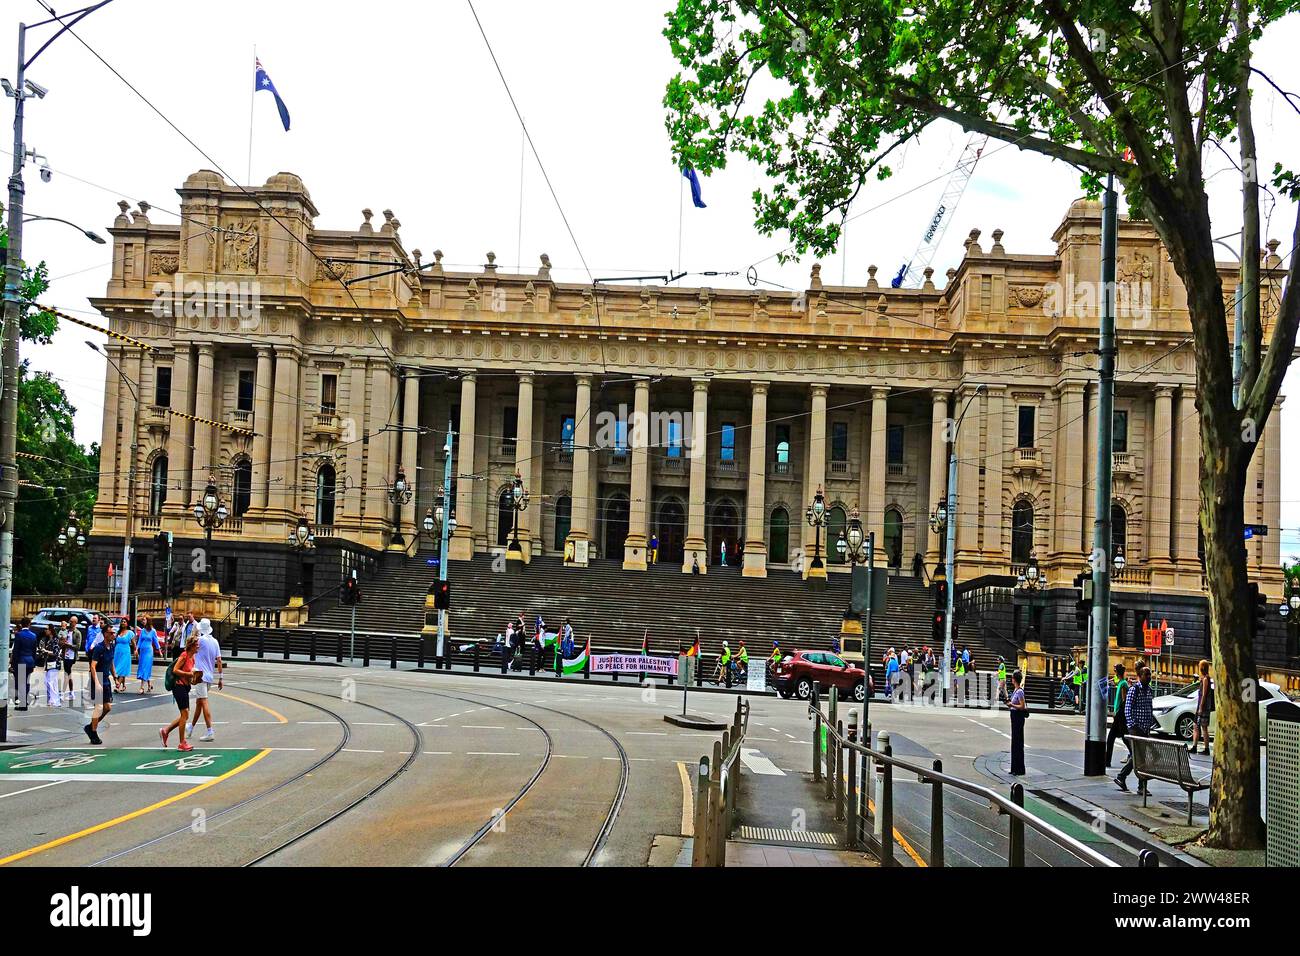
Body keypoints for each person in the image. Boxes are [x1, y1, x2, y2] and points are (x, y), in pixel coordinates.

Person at [1115, 666, 1156, 794]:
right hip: (1135, 729)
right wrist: (1132, 725)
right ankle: (1140, 786)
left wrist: (1150, 724)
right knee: (1140, 757)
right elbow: (1128, 709)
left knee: (1139, 757)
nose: (1149, 677)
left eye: (1149, 675)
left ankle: (1123, 778)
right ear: (1140, 675)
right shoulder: (1134, 690)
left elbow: (1150, 707)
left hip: (1145, 728)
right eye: (1146, 675)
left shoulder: (1149, 690)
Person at [162, 634, 200, 752]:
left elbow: (188, 674)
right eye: (197, 645)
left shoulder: (192, 658)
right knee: (185, 715)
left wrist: (194, 679)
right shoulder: (184, 655)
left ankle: (166, 731)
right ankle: (181, 743)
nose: (198, 647)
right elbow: (175, 670)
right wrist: (188, 675)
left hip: (185, 687)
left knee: (185, 715)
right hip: (178, 687)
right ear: (191, 646)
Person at [188, 619, 224, 742]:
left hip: (199, 676)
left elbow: (190, 647)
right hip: (209, 677)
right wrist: (221, 678)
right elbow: (219, 660)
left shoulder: (200, 641)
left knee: (203, 702)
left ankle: (210, 731)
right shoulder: (215, 642)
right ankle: (191, 727)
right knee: (199, 703)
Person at [85, 625, 119, 744]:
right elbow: (93, 666)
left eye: (114, 633)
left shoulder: (112, 647)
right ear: (105, 634)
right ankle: (93, 733)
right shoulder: (99, 648)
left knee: (107, 707)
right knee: (98, 708)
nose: (113, 635)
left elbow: (111, 662)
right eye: (111, 633)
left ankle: (90, 726)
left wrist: (115, 677)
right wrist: (97, 683)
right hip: (98, 678)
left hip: (106, 679)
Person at [10, 618, 38, 710]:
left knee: (21, 683)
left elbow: (16, 651)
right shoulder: (33, 635)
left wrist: (13, 665)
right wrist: (33, 663)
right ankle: (25, 701)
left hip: (21, 661)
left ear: (21, 624)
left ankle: (23, 704)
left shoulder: (19, 635)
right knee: (26, 682)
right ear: (29, 624)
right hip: (30, 661)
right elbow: (34, 651)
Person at [1104, 663, 1129, 767]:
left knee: (1114, 737)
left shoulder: (1123, 684)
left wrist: (1117, 714)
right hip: (1119, 714)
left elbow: (1124, 700)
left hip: (1120, 715)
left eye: (1115, 670)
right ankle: (1107, 761)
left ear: (1117, 672)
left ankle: (1107, 761)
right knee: (1123, 737)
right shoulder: (1121, 682)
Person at [1190, 659, 1213, 756]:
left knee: (1203, 727)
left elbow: (1204, 695)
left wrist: (1200, 707)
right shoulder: (1204, 678)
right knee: (1196, 726)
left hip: (1203, 707)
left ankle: (1206, 748)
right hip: (1202, 706)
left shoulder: (1205, 679)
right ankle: (1195, 746)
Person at [1008, 670, 1028, 775]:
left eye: (1012, 678)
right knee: (1014, 743)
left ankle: (1019, 769)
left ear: (1014, 679)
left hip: (1018, 718)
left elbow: (1022, 706)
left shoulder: (1020, 691)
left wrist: (1012, 705)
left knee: (1018, 743)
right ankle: (1014, 768)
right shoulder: (1015, 690)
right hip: (1014, 717)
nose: (1011, 679)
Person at [39, 625, 62, 708]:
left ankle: (54, 699)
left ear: (51, 630)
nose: (45, 630)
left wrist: (46, 651)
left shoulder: (55, 640)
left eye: (47, 629)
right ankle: (53, 700)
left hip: (54, 663)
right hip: (50, 663)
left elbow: (55, 653)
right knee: (52, 682)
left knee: (49, 681)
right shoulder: (49, 640)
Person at [59, 616, 82, 701]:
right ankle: (71, 693)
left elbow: (78, 646)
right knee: (68, 674)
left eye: (72, 621)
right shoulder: (66, 631)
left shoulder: (77, 633)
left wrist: (69, 645)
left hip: (72, 656)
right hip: (65, 655)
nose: (70, 623)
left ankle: (63, 693)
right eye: (70, 621)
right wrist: (62, 642)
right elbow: (61, 642)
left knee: (66, 674)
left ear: (76, 623)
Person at [136, 618, 162, 693]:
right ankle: (149, 684)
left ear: (148, 621)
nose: (142, 622)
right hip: (142, 651)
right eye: (142, 621)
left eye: (144, 620)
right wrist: (136, 649)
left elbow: (156, 641)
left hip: (149, 651)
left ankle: (142, 687)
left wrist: (159, 651)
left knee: (145, 667)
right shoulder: (142, 631)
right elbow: (140, 641)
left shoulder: (153, 631)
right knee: (144, 667)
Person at [113, 620, 134, 693]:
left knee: (121, 669)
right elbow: (114, 642)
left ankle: (117, 687)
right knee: (118, 669)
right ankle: (124, 685)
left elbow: (134, 643)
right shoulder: (118, 632)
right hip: (117, 652)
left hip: (125, 653)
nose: (123, 623)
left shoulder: (130, 633)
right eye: (122, 622)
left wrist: (136, 651)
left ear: (127, 624)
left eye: (124, 622)